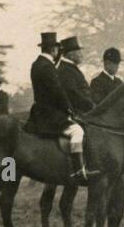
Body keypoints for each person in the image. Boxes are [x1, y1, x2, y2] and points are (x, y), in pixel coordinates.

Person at [24, 32, 90, 182]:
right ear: (53, 50)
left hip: (41, 111)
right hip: (51, 114)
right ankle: (78, 170)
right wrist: (69, 110)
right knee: (77, 131)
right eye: (56, 49)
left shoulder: (37, 64)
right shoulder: (47, 67)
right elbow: (57, 92)